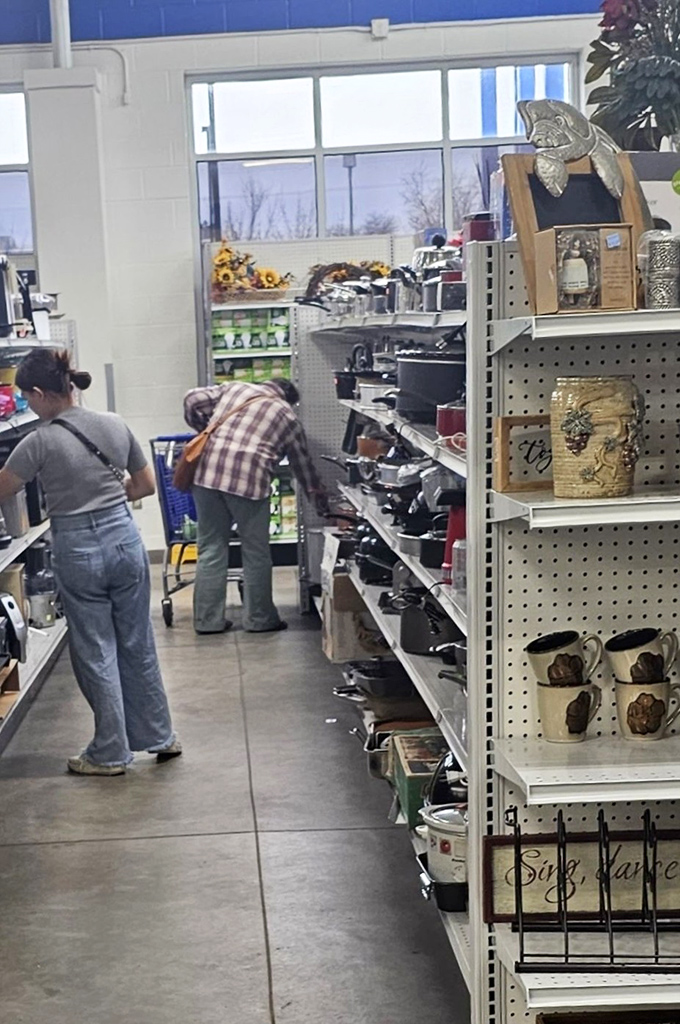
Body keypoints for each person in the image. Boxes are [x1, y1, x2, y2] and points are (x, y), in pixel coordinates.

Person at [0, 348, 180, 777]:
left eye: (27, 397)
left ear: (40, 393)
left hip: (78, 549)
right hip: (124, 541)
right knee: (137, 641)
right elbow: (145, 486)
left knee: (95, 649)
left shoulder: (39, 441)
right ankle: (159, 735)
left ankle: (109, 753)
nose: (28, 405)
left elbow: (3, 487)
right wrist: (108, 498)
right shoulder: (114, 424)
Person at [183, 377, 327, 635]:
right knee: (255, 552)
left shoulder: (236, 388)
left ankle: (207, 621)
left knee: (211, 549)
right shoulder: (287, 416)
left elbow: (192, 398)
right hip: (249, 480)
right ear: (288, 398)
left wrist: (204, 428)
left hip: (207, 475)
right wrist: (320, 501)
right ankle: (259, 619)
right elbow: (302, 466)